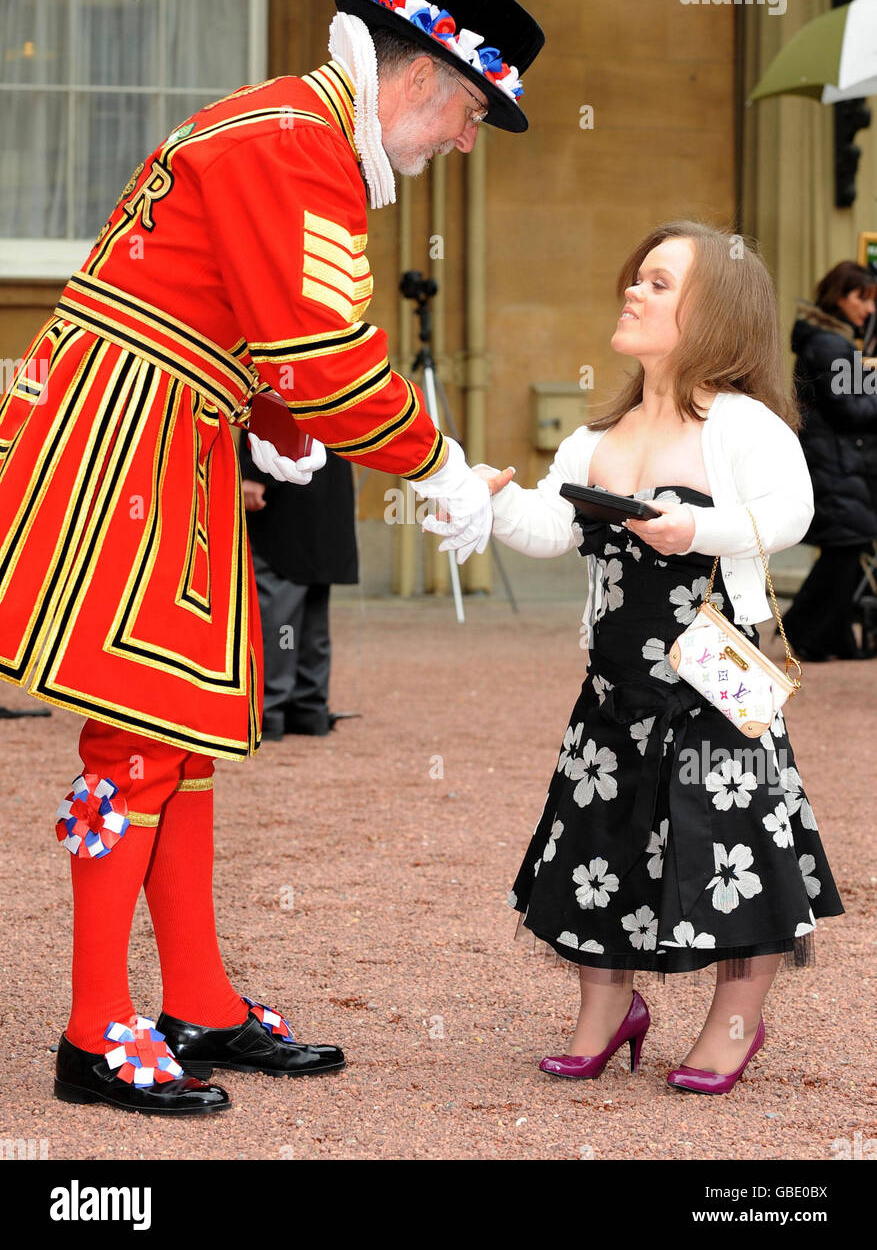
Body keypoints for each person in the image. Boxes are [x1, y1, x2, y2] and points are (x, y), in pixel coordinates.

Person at [0, 0, 543, 1114]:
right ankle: (95, 1031)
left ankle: (192, 997)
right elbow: (331, 357)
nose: (463, 138)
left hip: (161, 429)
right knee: (138, 737)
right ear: (418, 74)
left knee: (182, 730)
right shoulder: (300, 142)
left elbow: (238, 319)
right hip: (128, 441)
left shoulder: (301, 128)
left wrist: (268, 411)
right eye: (469, 110)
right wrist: (437, 464)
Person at [427, 221, 844, 1094]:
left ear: (712, 316)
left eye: (657, 283)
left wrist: (696, 527)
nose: (633, 291)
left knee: (737, 847)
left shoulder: (742, 425)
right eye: (637, 278)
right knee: (599, 843)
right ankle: (606, 1011)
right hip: (614, 688)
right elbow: (553, 527)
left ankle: (737, 1020)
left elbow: (792, 512)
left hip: (718, 681)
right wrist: (495, 503)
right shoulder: (595, 437)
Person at [782, 262, 877, 660]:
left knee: (846, 549)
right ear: (841, 296)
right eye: (863, 298)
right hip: (835, 465)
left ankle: (833, 638)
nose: (870, 310)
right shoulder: (832, 345)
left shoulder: (826, 342)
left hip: (834, 462)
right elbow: (853, 410)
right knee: (845, 549)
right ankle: (803, 633)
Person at [239, 435, 358, 739]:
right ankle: (307, 707)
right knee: (310, 607)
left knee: (279, 605)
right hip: (324, 482)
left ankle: (270, 709)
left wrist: (255, 473)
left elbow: (275, 401)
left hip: (287, 485)